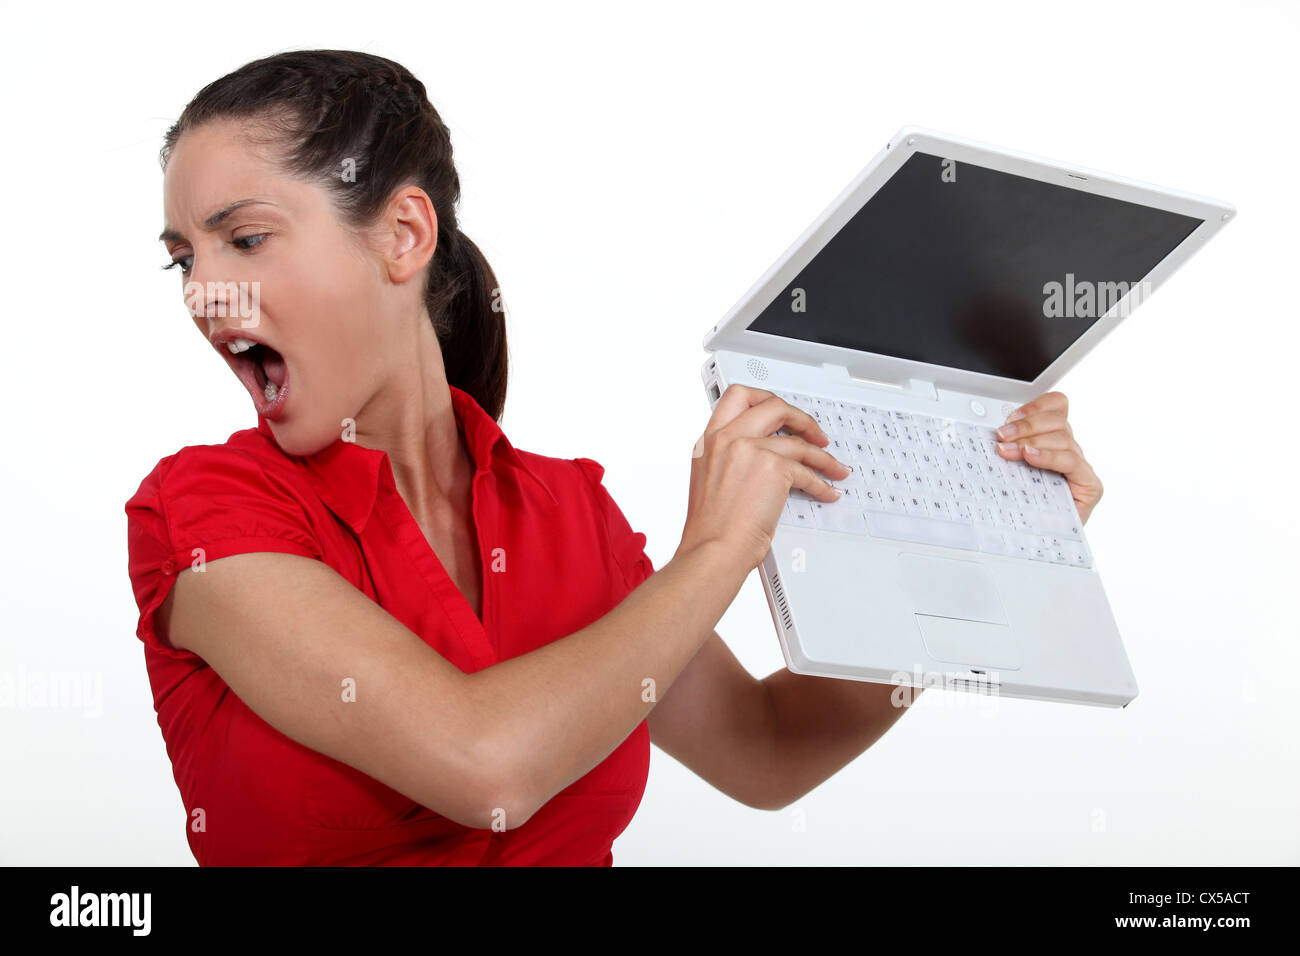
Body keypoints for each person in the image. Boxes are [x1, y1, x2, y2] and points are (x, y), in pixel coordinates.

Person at [125, 49, 1106, 865]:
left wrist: (984, 548)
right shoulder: (208, 514)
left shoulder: (566, 512)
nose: (202, 294)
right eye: (185, 258)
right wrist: (714, 552)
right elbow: (487, 766)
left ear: (403, 234)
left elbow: (765, 751)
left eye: (243, 240)